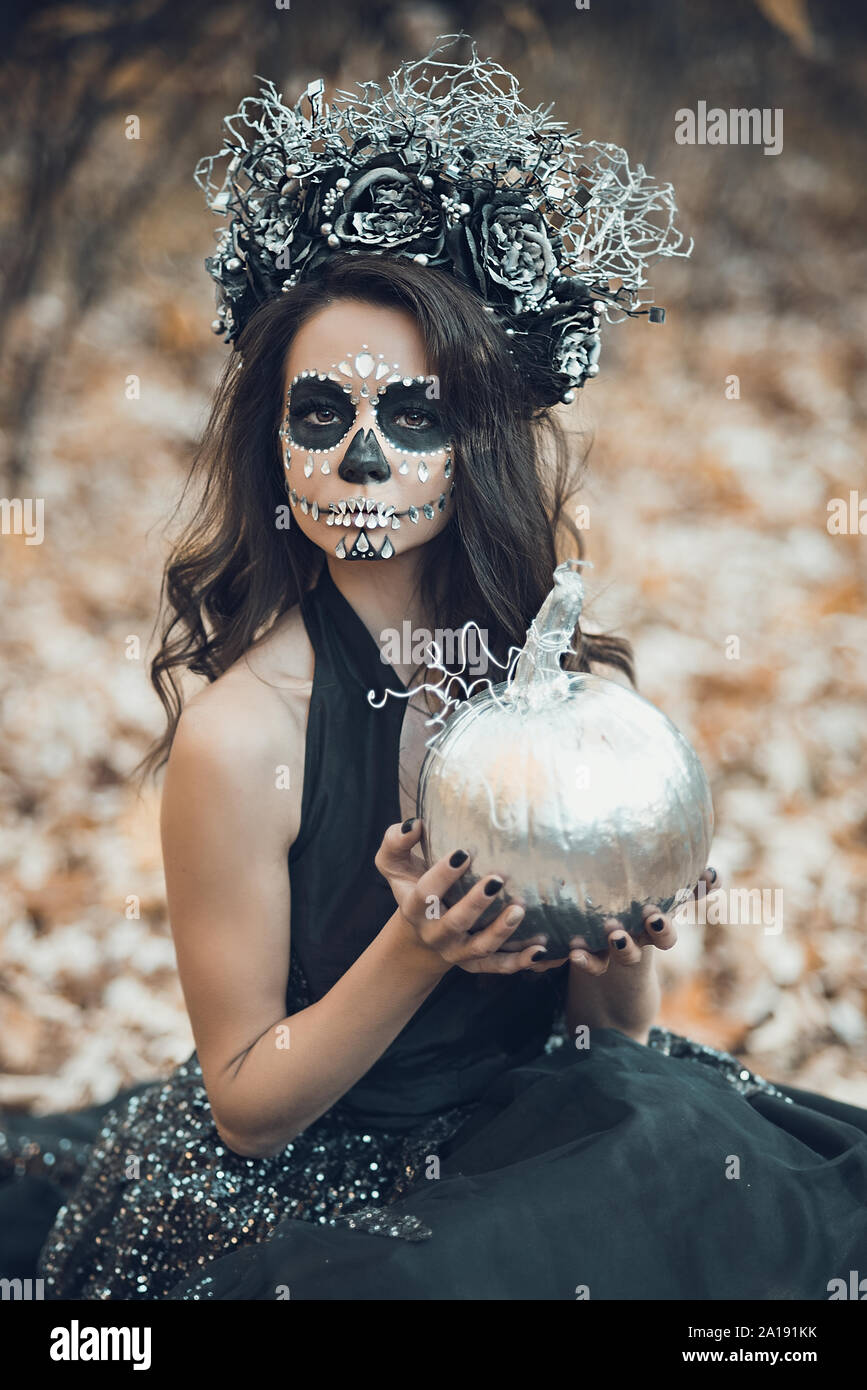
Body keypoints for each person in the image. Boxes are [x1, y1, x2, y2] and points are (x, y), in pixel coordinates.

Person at [1, 37, 865, 1302]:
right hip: (324, 1172)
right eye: (321, 414)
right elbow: (246, 1107)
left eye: (412, 415)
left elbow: (607, 1040)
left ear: (475, 448)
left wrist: (622, 935)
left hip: (543, 1123)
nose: (362, 457)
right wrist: (418, 946)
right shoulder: (243, 736)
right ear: (273, 451)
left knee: (728, 1194)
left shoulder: (574, 704)